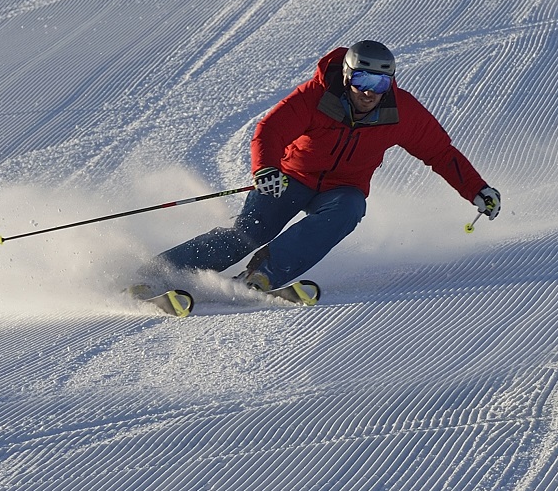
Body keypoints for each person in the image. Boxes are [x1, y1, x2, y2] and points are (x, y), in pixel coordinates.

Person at [145, 41, 500, 298]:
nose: (369, 92)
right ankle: (159, 273)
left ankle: (263, 275)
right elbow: (271, 130)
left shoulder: (402, 112)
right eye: (362, 80)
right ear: (347, 76)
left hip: (342, 188)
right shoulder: (316, 97)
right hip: (289, 178)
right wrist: (265, 169)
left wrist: (477, 189)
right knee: (250, 232)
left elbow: (440, 152)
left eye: (380, 84)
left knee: (348, 210)